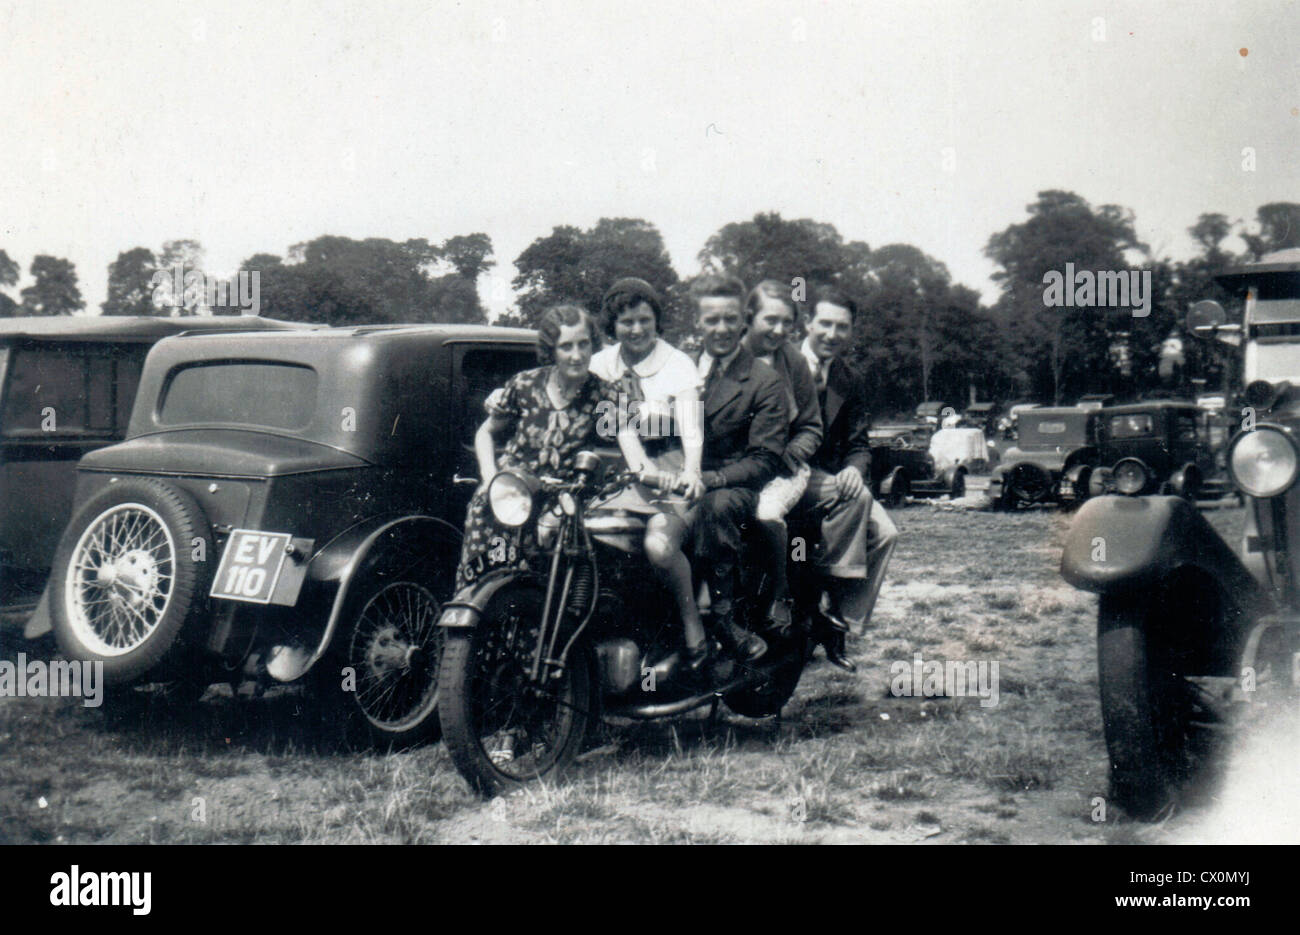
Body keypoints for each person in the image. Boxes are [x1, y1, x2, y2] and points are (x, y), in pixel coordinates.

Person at [454, 304, 650, 592]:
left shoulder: (606, 394)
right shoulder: (524, 384)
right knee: (479, 587)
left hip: (559, 505)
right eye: (566, 346)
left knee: (545, 592)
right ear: (551, 351)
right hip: (509, 497)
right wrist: (489, 478)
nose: (577, 355)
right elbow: (485, 432)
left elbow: (632, 448)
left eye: (583, 344)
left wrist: (651, 473)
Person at [589, 278, 709, 670]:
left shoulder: (677, 365)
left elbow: (691, 427)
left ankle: (692, 629)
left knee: (660, 548)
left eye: (644, 319)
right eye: (626, 322)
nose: (636, 329)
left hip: (669, 470)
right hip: (616, 476)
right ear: (613, 325)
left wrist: (691, 471)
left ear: (657, 321)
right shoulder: (601, 364)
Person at [790, 283, 898, 671]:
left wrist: (854, 468)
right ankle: (827, 609)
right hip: (789, 473)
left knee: (887, 533)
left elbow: (859, 441)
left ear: (852, 331)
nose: (832, 335)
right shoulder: (782, 365)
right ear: (807, 323)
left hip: (830, 479)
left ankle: (840, 623)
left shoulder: (848, 379)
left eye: (843, 327)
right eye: (825, 324)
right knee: (858, 498)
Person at [687, 273, 789, 665]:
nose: (722, 329)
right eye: (712, 320)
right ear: (698, 322)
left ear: (743, 322)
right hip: (681, 477)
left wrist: (711, 479)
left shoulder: (764, 381)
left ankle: (724, 620)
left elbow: (764, 460)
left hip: (732, 485)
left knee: (716, 508)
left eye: (730, 319)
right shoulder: (683, 370)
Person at [741, 280, 823, 630]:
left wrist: (791, 453)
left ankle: (781, 594)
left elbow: (811, 426)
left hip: (784, 468)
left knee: (765, 512)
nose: (778, 330)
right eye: (769, 320)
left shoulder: (793, 361)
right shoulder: (727, 355)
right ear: (749, 317)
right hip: (738, 465)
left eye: (786, 322)